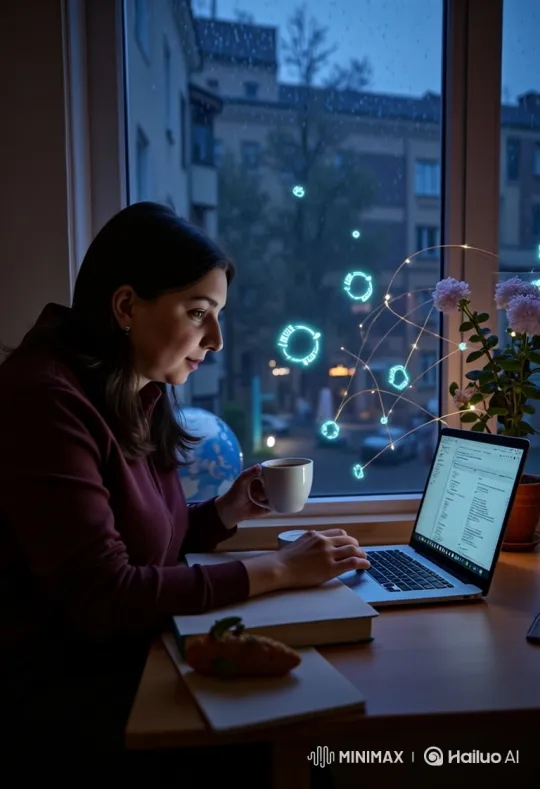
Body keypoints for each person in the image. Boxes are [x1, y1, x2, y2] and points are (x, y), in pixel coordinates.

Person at [0, 202, 369, 769]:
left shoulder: (129, 391)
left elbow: (142, 542)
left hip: (129, 666)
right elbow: (108, 595)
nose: (217, 338)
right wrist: (282, 569)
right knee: (315, 750)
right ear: (126, 306)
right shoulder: (45, 401)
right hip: (68, 706)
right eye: (199, 312)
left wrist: (224, 512)